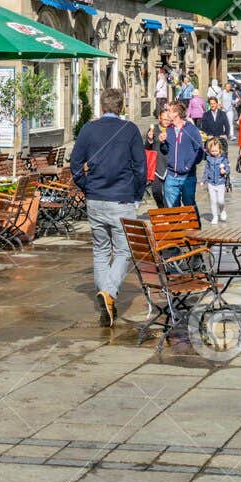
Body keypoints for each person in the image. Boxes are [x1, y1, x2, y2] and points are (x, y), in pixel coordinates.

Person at [69, 85, 148, 326]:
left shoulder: (88, 129)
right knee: (125, 250)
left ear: (102, 107)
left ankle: (106, 298)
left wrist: (87, 185)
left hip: (95, 199)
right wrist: (137, 195)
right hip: (122, 199)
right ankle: (110, 292)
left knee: (101, 249)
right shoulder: (130, 130)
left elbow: (74, 164)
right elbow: (140, 167)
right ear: (121, 107)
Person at [160, 99, 204, 207]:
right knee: (173, 210)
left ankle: (195, 224)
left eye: (169, 111)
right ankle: (176, 224)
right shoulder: (168, 129)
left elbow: (200, 150)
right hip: (171, 175)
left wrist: (188, 166)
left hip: (187, 176)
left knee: (189, 206)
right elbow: (165, 150)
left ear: (176, 114)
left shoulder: (191, 129)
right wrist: (163, 142)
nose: (167, 113)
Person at [204, 135, 231, 225]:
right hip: (211, 183)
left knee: (221, 201)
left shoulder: (223, 159)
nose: (214, 153)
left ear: (220, 150)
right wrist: (203, 180)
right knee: (213, 201)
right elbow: (206, 170)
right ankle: (215, 216)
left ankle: (222, 210)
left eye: (216, 151)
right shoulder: (208, 159)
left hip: (220, 182)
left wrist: (224, 171)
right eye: (212, 151)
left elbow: (228, 168)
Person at [143, 111, 166, 208]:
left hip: (169, 165)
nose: (167, 121)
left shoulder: (172, 129)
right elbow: (147, 147)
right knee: (156, 191)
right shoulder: (154, 129)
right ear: (159, 118)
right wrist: (150, 139)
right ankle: (161, 207)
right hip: (156, 165)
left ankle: (170, 212)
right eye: (164, 119)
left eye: (168, 119)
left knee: (169, 193)